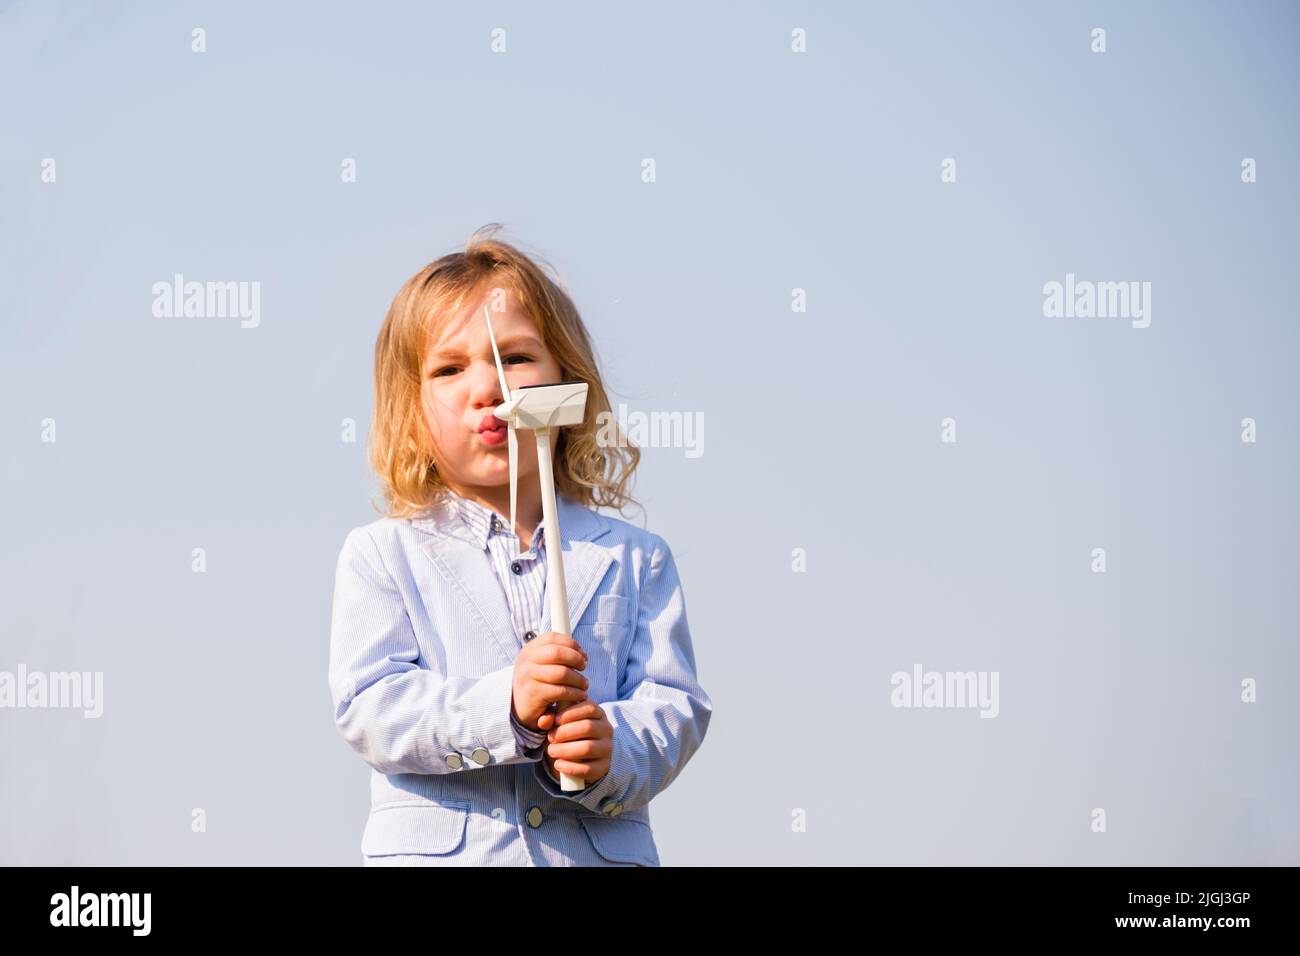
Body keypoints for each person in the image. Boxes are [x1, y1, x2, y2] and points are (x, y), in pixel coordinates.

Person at [328, 224, 712, 865]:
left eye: (516, 358)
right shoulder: (383, 554)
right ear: (413, 413)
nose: (490, 389)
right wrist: (505, 703)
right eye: (449, 368)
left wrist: (611, 747)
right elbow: (370, 706)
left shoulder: (636, 558)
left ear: (568, 377)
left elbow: (674, 706)